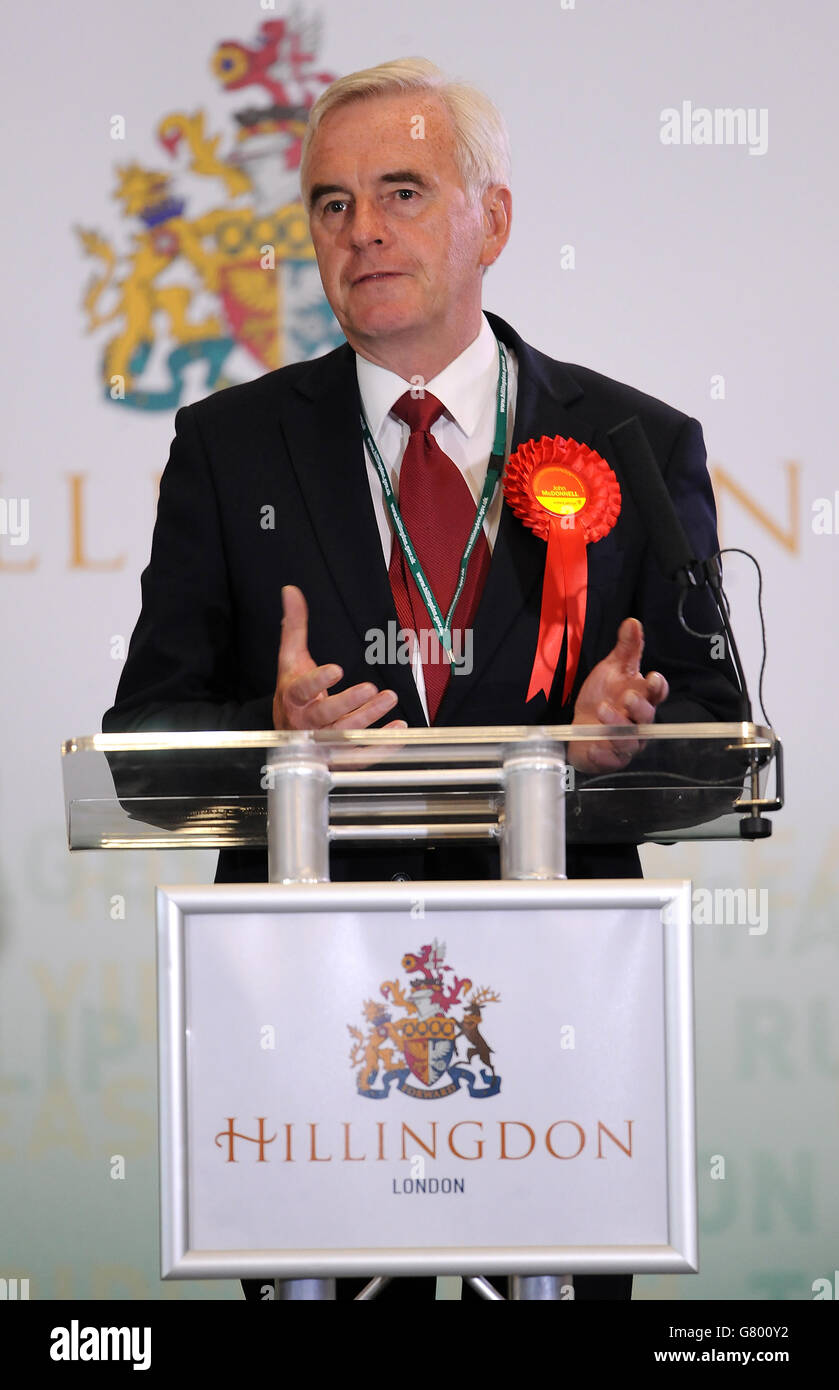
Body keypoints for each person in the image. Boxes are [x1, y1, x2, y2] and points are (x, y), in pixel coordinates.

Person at [104, 58, 741, 1301]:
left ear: (491, 218)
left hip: (556, 1064)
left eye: (402, 189)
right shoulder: (228, 448)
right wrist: (268, 736)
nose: (363, 230)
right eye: (332, 205)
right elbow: (142, 752)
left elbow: (715, 734)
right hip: (307, 1054)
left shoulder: (631, 442)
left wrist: (620, 747)